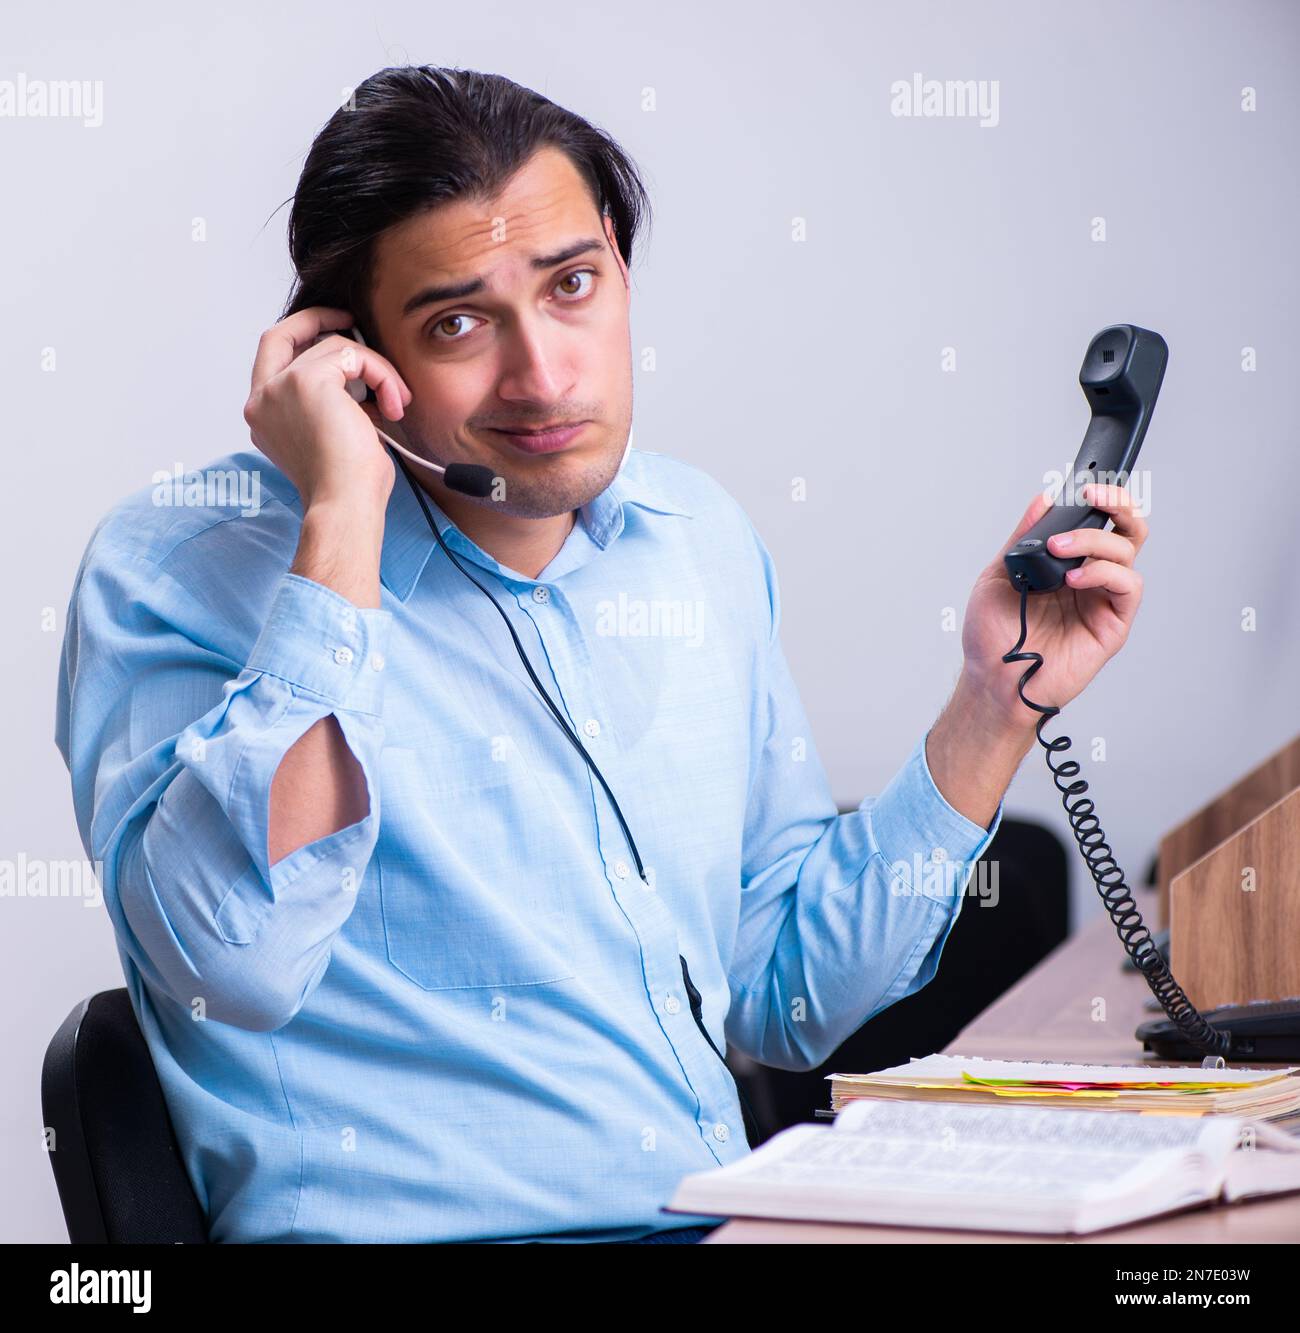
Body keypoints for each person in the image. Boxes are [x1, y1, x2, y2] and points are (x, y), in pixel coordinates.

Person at [54, 66, 1149, 1244]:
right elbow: (236, 959)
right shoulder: (179, 568)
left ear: (622, 273)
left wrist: (993, 703)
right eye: (458, 322)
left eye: (571, 285)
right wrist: (340, 519)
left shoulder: (696, 543)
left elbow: (785, 995)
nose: (542, 374)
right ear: (348, 356)